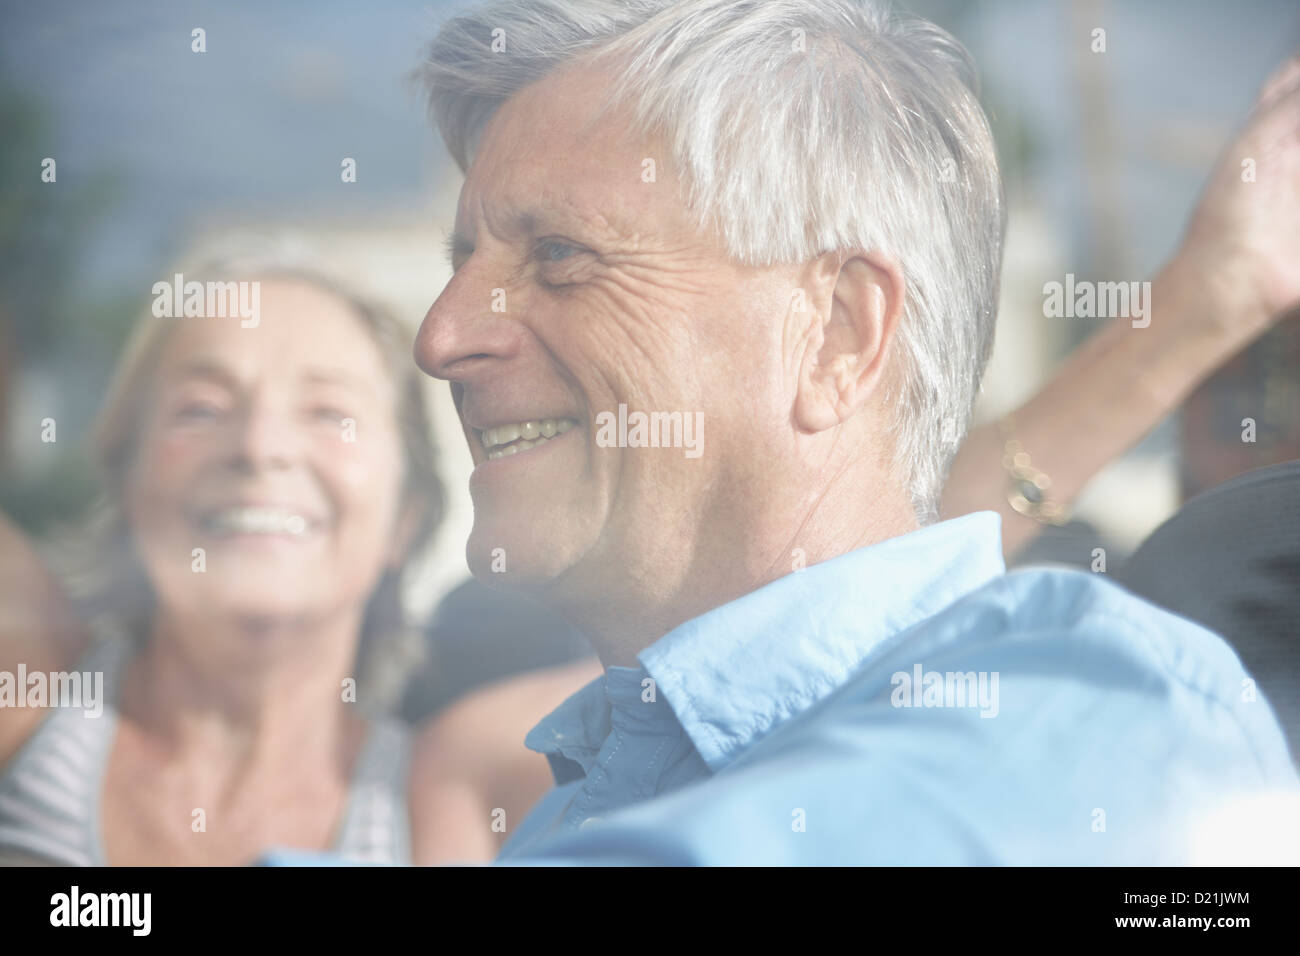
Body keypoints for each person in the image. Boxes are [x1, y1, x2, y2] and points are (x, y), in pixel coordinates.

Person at [401, 0, 1298, 864]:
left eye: (559, 256)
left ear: (837, 333)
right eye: (463, 262)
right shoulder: (576, 799)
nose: (441, 337)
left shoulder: (1088, 714)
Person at [0, 249, 599, 866]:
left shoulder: (452, 795)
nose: (260, 447)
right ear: (127, 481)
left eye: (328, 414)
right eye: (200, 409)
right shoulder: (28, 703)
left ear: (403, 517)